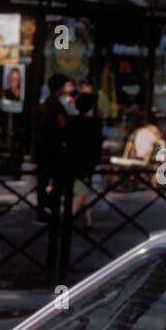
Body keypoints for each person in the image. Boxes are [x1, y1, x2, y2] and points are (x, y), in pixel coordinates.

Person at [32, 73, 69, 220]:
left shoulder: (46, 103)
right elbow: (63, 125)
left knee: (43, 181)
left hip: (42, 147)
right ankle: (50, 210)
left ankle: (43, 209)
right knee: (56, 182)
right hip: (53, 149)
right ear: (60, 87)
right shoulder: (56, 105)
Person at [68, 79, 103, 228]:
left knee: (84, 190)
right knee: (81, 191)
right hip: (85, 162)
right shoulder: (94, 123)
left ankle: (88, 219)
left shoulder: (72, 122)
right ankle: (68, 218)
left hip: (74, 160)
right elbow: (96, 144)